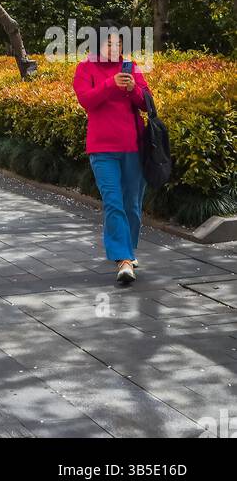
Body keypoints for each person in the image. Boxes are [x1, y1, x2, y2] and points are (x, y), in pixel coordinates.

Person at [72, 22, 153, 287]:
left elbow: (146, 102)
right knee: (113, 202)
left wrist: (132, 89)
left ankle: (127, 250)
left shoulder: (130, 67)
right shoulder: (86, 68)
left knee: (132, 204)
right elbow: (87, 100)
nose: (115, 47)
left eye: (118, 43)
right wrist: (111, 84)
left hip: (133, 146)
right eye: (109, 43)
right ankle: (124, 260)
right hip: (102, 149)